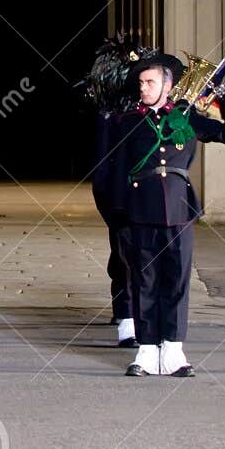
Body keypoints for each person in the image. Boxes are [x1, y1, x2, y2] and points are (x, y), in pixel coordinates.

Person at [112, 50, 225, 377]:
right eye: (141, 82)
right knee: (145, 280)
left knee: (176, 280)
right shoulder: (128, 122)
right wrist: (119, 215)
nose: (143, 88)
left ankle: (172, 348)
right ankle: (146, 350)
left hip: (179, 208)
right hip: (141, 209)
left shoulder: (186, 116)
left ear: (167, 85)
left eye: (150, 82)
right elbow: (117, 169)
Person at [78, 38, 143, 347]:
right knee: (125, 253)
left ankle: (136, 310)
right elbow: (104, 167)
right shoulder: (111, 116)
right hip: (120, 194)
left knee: (135, 255)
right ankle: (127, 312)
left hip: (152, 196)